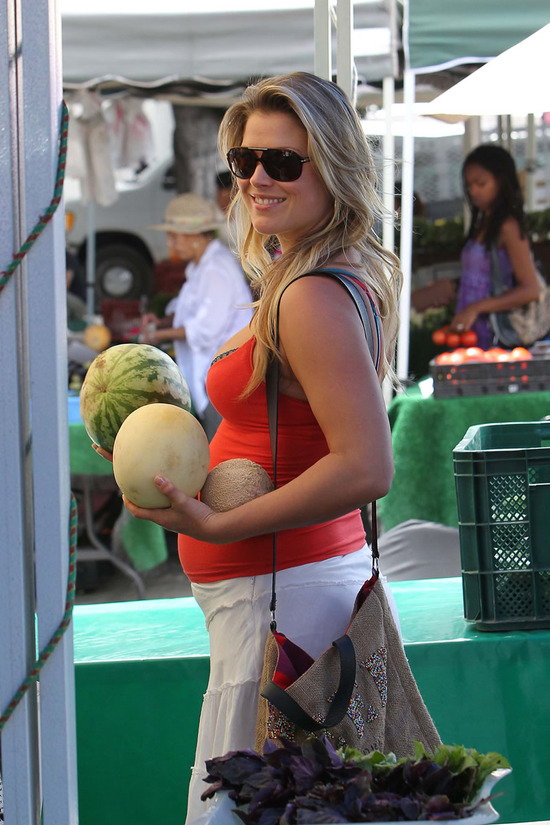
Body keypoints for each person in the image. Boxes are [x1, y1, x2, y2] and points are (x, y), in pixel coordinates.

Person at [101, 72, 402, 821]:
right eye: (244, 160)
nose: (258, 177)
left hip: (282, 601)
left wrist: (219, 525)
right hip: (287, 596)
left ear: (332, 166)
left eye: (284, 162)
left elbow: (368, 465)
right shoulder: (309, 276)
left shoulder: (309, 295)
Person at [140, 192, 254, 440]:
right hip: (210, 375)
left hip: (225, 377)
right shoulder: (201, 267)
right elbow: (187, 311)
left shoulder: (216, 269)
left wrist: (158, 335)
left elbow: (204, 329)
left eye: (173, 236)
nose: (170, 244)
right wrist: (161, 322)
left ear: (194, 237)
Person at [449, 144, 540, 349]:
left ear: (501, 181)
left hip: (495, 335)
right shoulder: (483, 222)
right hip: (473, 332)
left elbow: (530, 289)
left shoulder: (508, 227)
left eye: (480, 183)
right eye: (469, 185)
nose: (473, 191)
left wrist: (476, 308)